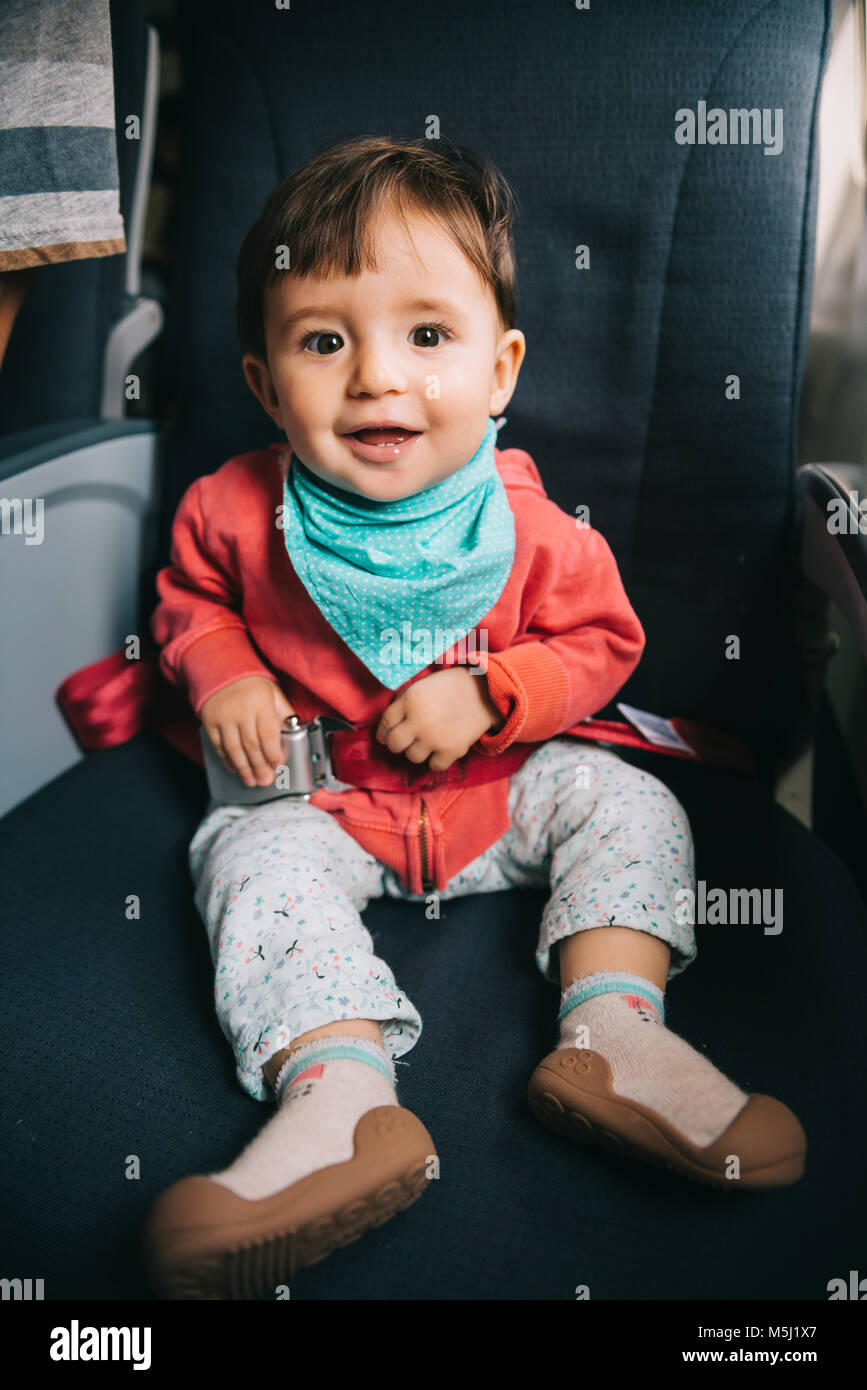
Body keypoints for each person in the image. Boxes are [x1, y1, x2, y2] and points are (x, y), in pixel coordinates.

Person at [143, 135, 805, 1300]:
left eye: (428, 335)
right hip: (325, 805)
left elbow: (603, 644)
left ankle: (615, 1031)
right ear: (263, 381)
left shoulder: (533, 528)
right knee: (244, 863)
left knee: (632, 805)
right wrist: (226, 673)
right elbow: (193, 603)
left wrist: (497, 694)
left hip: (498, 796)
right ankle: (341, 1099)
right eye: (324, 340)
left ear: (500, 371)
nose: (378, 378)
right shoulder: (232, 511)